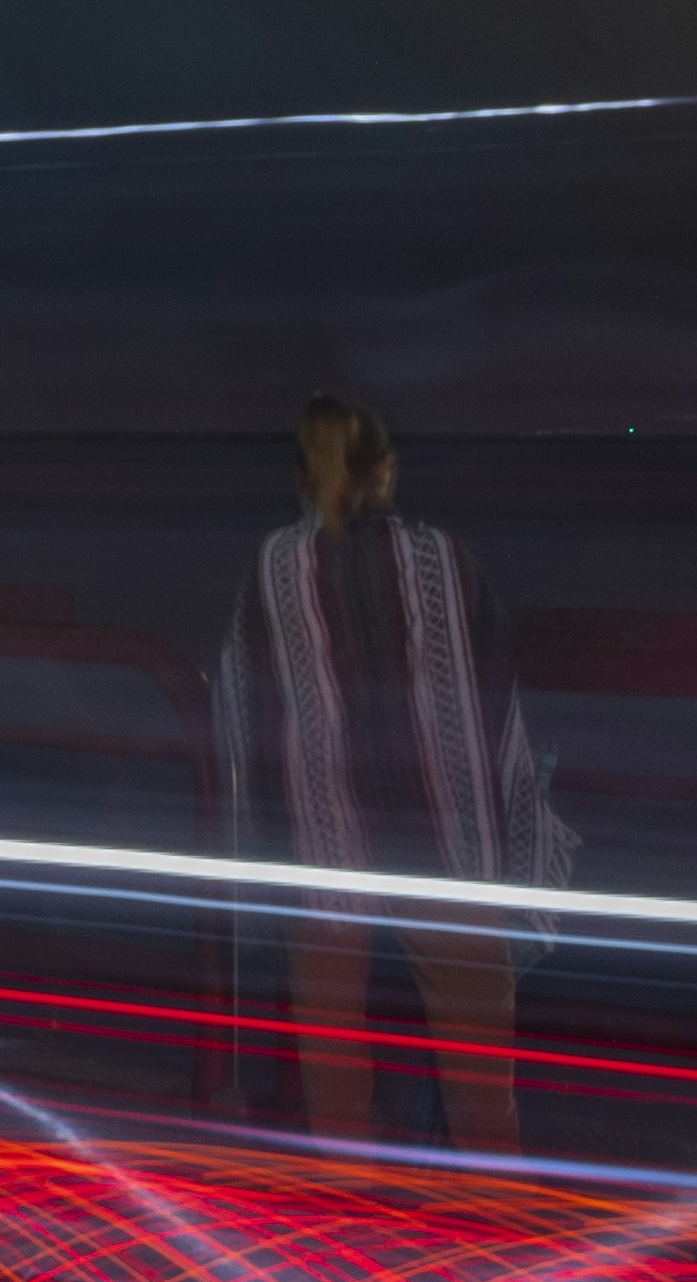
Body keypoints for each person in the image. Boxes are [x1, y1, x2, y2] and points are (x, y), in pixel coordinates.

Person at [207, 391, 564, 1154]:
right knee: (482, 1099)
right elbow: (496, 692)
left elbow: (240, 703)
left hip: (321, 842)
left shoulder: (274, 567)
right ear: (388, 471)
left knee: (334, 1096)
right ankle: (499, 1243)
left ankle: (354, 1239)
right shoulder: (442, 559)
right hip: (449, 841)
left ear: (302, 480)